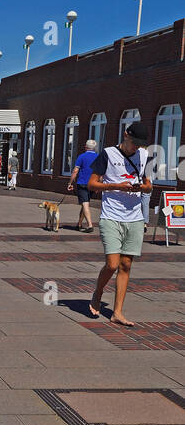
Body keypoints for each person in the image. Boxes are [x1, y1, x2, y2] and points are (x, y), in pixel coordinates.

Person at [86, 120, 151, 326]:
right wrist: (117, 186)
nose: (136, 147)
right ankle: (98, 291)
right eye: (134, 142)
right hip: (111, 216)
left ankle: (117, 312)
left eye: (139, 144)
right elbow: (92, 184)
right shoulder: (107, 154)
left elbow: (149, 185)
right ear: (125, 134)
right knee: (112, 264)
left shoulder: (144, 155)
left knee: (126, 264)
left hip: (135, 217)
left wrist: (143, 188)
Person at [67, 137, 98, 232]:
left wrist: (70, 182)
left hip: (82, 183)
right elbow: (101, 172)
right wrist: (98, 184)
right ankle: (79, 224)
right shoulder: (98, 157)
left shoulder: (82, 157)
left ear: (86, 147)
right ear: (95, 148)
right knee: (85, 204)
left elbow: (75, 171)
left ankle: (90, 225)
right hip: (93, 183)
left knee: (85, 204)